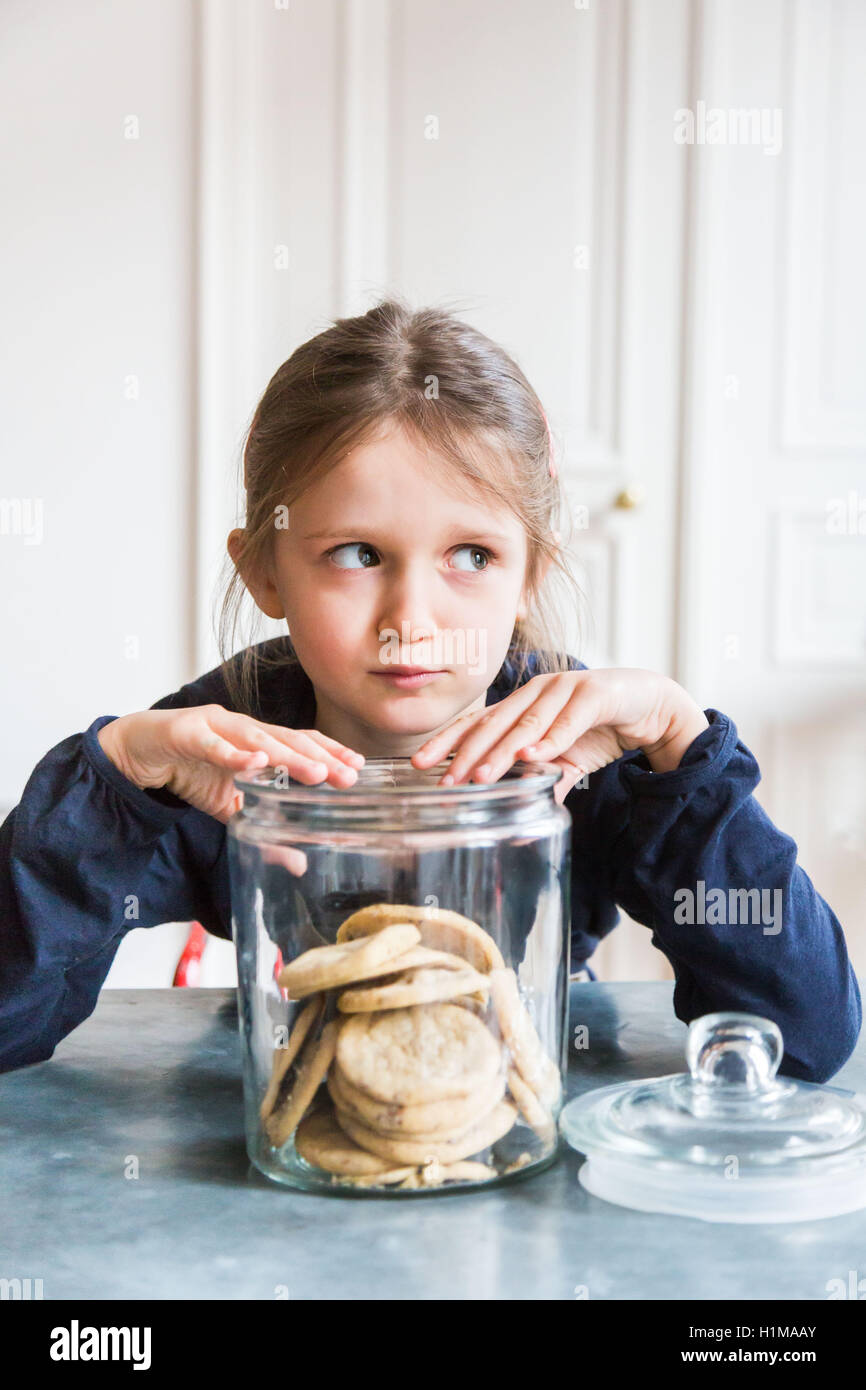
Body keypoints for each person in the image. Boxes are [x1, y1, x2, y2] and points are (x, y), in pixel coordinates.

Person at [0, 299, 859, 1082]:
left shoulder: (592, 757)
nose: (414, 621)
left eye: (472, 556)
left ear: (529, 574)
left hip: (519, 1133)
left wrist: (680, 746)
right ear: (265, 570)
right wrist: (107, 781)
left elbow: (808, 1032)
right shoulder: (215, 755)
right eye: (356, 554)